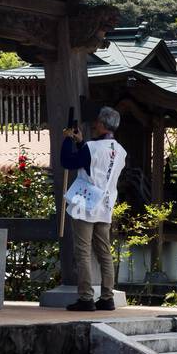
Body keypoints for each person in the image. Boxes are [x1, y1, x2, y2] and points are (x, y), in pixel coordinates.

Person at [60, 106, 127, 312]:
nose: (95, 124)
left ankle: (86, 297)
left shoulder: (92, 147)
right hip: (105, 205)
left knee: (83, 253)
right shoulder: (121, 151)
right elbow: (92, 163)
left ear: (104, 124)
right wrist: (80, 142)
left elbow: (68, 161)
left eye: (98, 121)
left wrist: (67, 139)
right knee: (104, 253)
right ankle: (107, 297)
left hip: (85, 204)